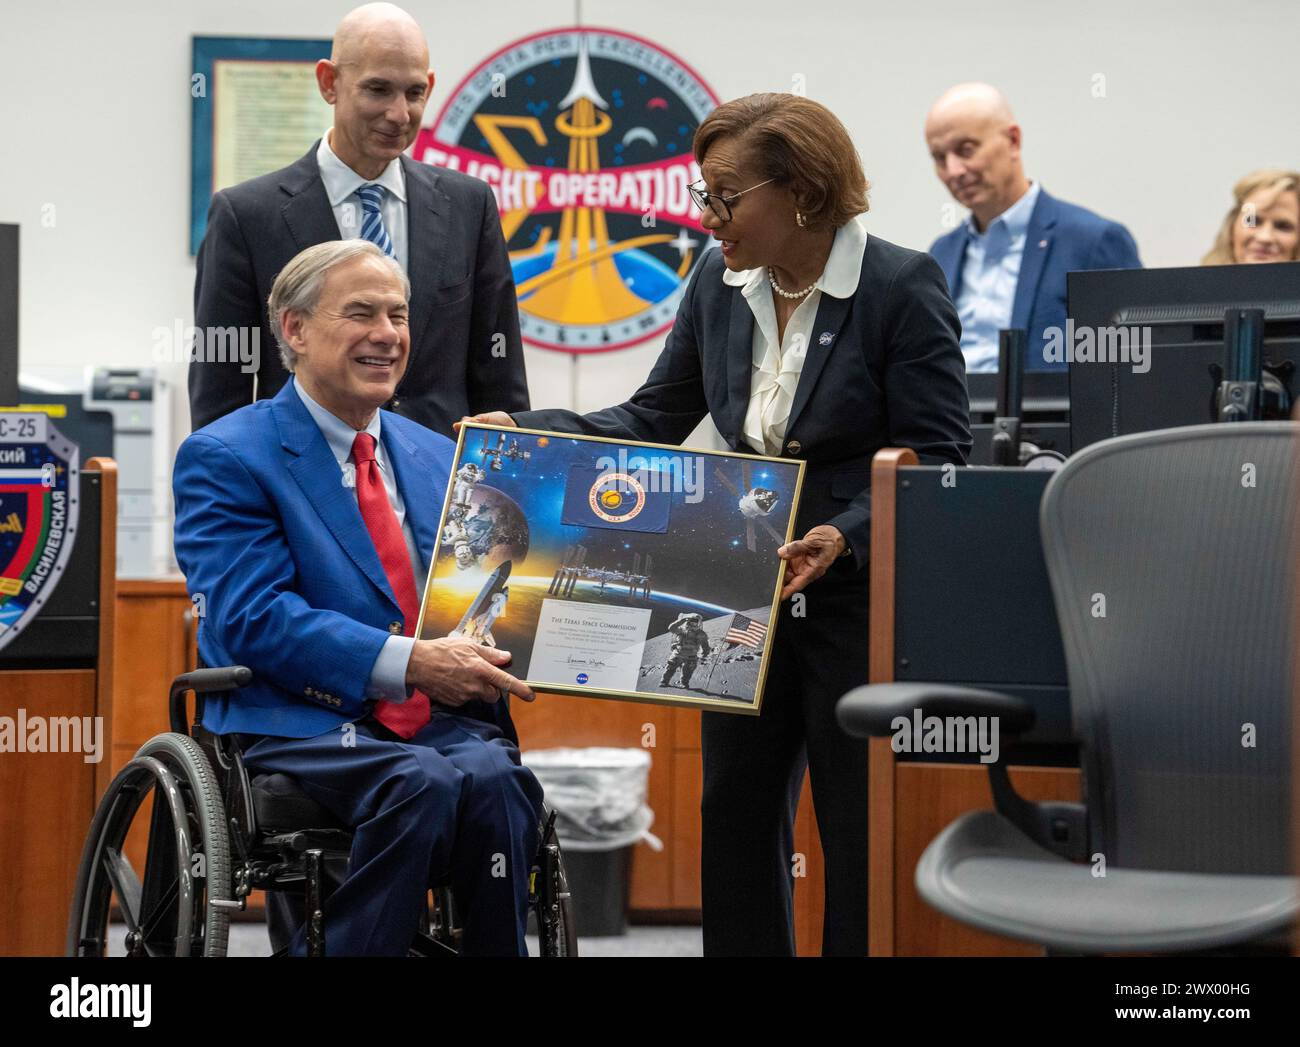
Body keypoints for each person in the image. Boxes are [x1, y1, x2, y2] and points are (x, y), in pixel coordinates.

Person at [461, 93, 971, 955]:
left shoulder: (897, 284)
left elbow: (941, 458)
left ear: (801, 190)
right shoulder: (716, 281)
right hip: (739, 591)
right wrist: (535, 431)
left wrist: (844, 534)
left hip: (857, 601)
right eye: (704, 195)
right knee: (732, 813)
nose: (707, 217)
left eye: (724, 198)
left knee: (852, 825)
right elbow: (654, 416)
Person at [173, 240, 542, 956]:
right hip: (297, 722)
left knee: (497, 778)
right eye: (362, 313)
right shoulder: (228, 456)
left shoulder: (440, 453)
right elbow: (252, 616)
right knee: (421, 782)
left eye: (399, 315)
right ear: (295, 329)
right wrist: (409, 662)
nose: (387, 334)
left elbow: (480, 595)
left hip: (432, 723)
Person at [189, 2, 528, 435]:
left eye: (414, 93)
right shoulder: (247, 216)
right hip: (303, 486)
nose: (399, 114)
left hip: (437, 483)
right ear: (329, 82)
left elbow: (499, 378)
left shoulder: (469, 204)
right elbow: (221, 391)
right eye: (378, 90)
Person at [924, 82, 1142, 373]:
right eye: (940, 158)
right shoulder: (942, 253)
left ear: (1013, 140)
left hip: (1048, 417)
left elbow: (1133, 365)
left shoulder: (1094, 241)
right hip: (952, 417)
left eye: (966, 150)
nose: (953, 171)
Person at [1202, 169, 1300, 265]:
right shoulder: (1196, 280)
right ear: (1231, 228)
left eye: (1283, 227)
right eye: (1252, 221)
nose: (1265, 237)